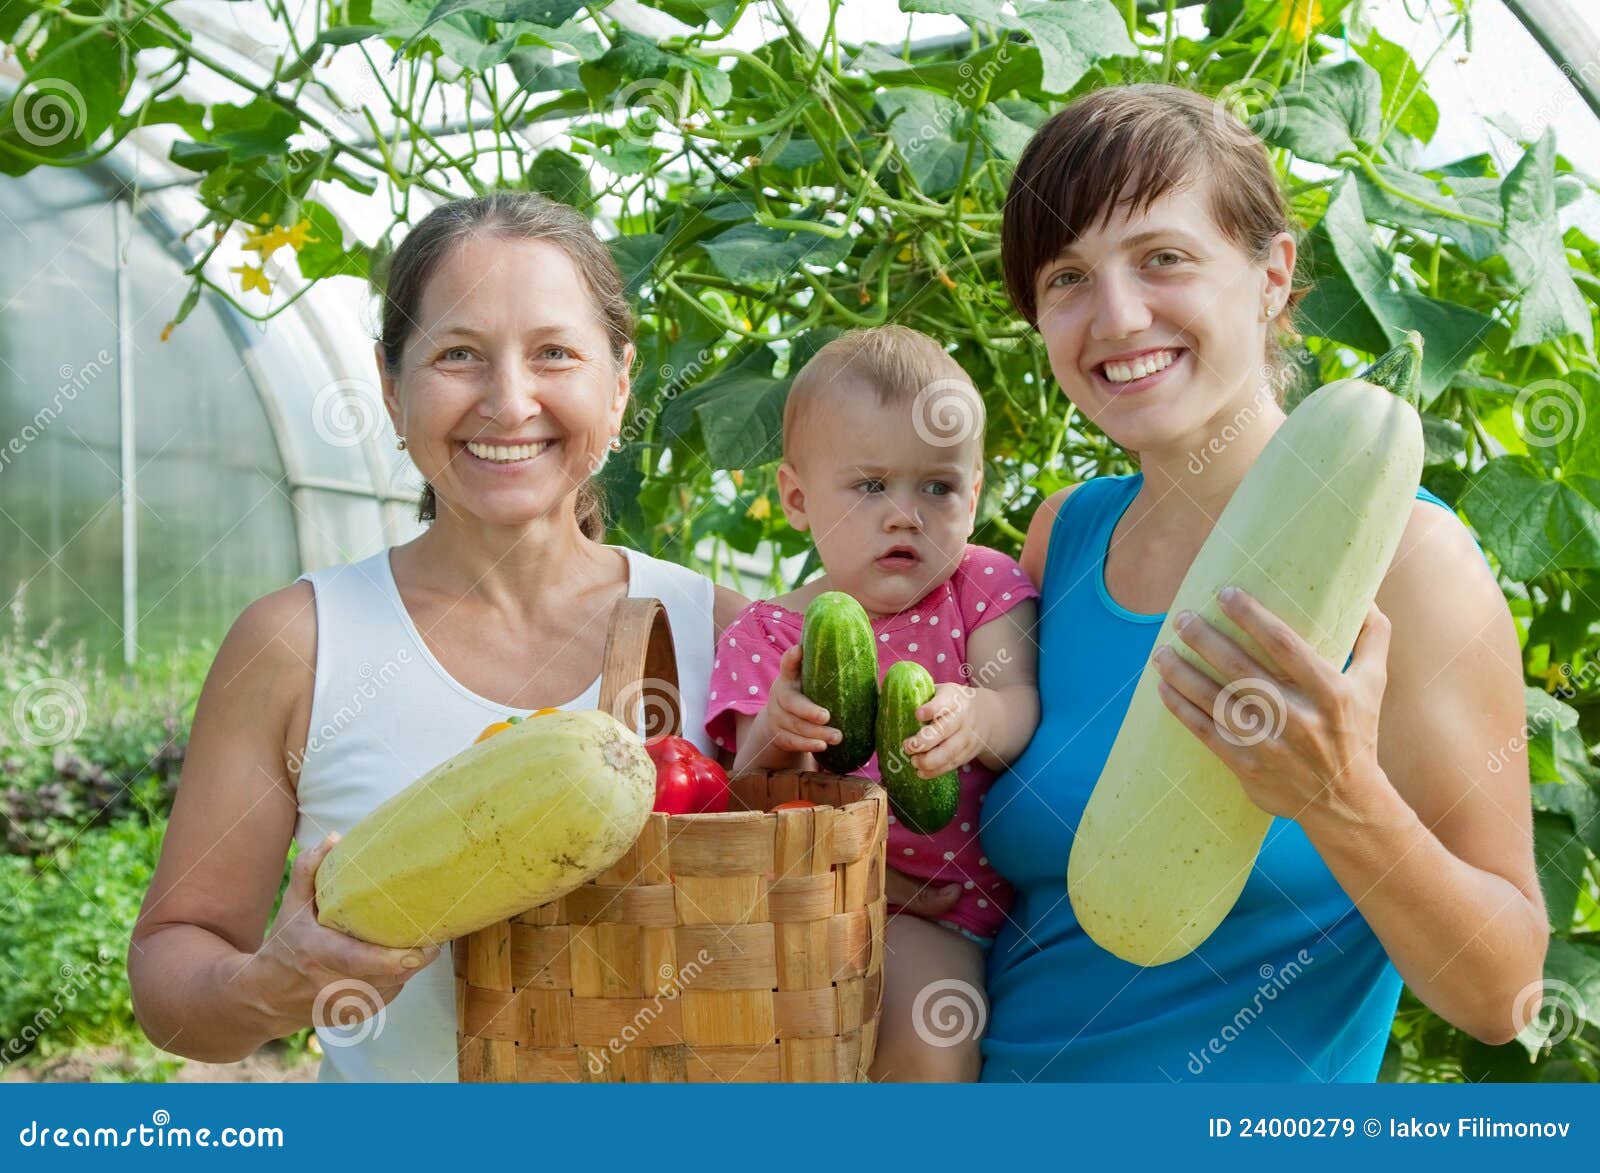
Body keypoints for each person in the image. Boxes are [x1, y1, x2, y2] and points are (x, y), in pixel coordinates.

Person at [978, 84, 1548, 1081]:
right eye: (1068, 276)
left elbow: (1501, 993)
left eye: (1163, 258)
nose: (1115, 316)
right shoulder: (1062, 534)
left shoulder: (1411, 564)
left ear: (1271, 272)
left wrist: (1336, 793)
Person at [127, 192, 748, 1082]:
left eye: (554, 355)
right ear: (391, 386)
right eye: (458, 354)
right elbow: (169, 981)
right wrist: (273, 984)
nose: (507, 401)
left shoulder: (720, 633)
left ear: (617, 388)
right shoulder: (296, 643)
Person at [704, 325, 1040, 1081]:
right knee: (884, 1044)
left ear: (975, 491)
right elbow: (744, 786)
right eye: (870, 486)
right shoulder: (772, 632)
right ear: (796, 497)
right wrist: (778, 731)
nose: (905, 515)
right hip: (840, 904)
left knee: (938, 1039)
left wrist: (977, 718)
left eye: (938, 487)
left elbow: (1017, 700)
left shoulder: (980, 586)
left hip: (969, 909)